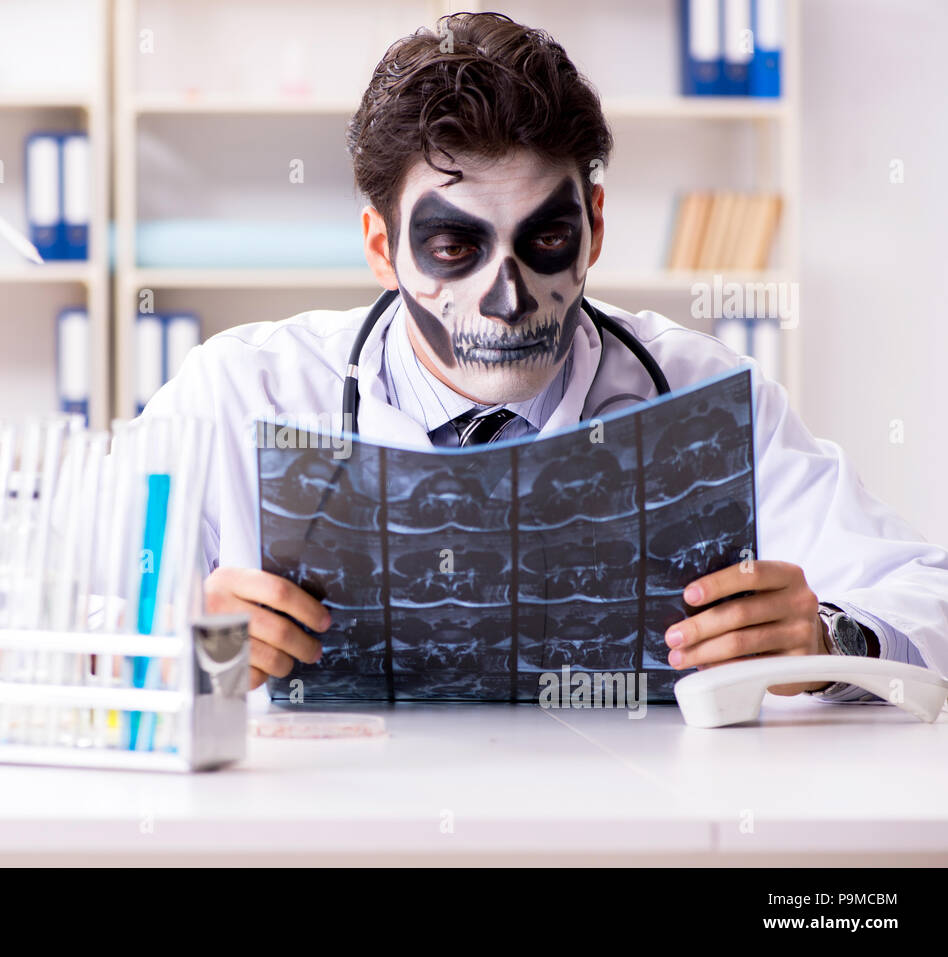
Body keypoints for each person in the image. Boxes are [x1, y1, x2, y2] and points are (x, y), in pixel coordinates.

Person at [138, 12, 947, 698]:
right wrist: (179, 638)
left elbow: (929, 603)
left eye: (547, 237)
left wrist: (832, 635)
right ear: (383, 248)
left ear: (594, 224)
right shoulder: (237, 391)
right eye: (455, 244)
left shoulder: (713, 397)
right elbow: (52, 622)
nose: (509, 297)